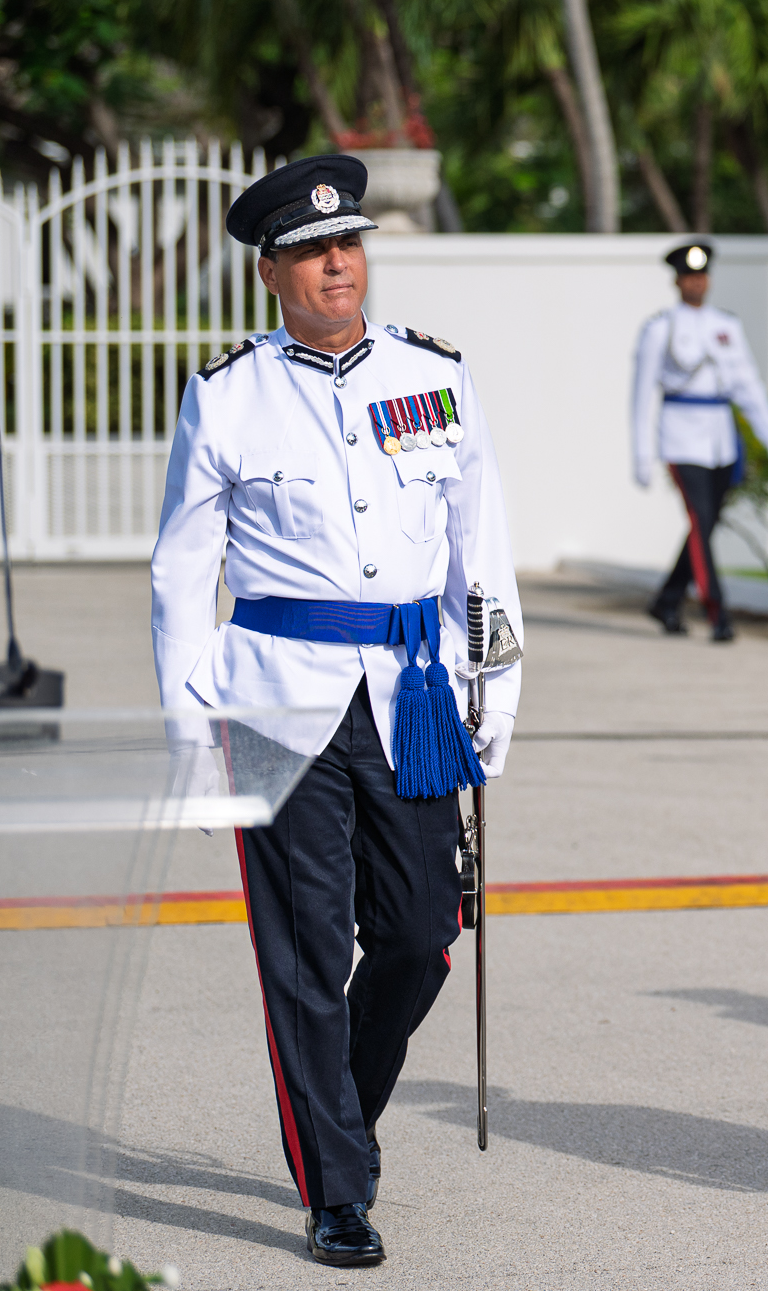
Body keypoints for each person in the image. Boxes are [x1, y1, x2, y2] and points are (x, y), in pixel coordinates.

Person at [150, 154, 523, 1265]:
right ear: (270, 272)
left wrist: (492, 683)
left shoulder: (437, 379)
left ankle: (337, 1117)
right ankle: (337, 1189)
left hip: (412, 690)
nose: (338, 265)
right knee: (305, 952)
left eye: (349, 244)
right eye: (312, 252)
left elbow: (481, 554)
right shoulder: (226, 395)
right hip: (271, 702)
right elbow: (181, 574)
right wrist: (187, 726)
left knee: (421, 932)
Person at [630, 239, 768, 641]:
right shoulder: (660, 328)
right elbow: (641, 393)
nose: (696, 283)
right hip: (682, 438)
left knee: (707, 523)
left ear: (709, 279)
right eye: (689, 276)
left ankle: (667, 599)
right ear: (678, 281)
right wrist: (641, 453)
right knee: (701, 523)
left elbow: (747, 384)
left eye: (701, 276)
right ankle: (718, 611)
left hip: (721, 438)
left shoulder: (726, 326)